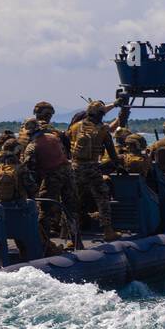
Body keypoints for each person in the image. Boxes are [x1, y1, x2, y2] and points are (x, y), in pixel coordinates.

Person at [20, 111, 75, 252]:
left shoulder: (32, 147)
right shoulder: (53, 137)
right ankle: (76, 240)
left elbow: (28, 169)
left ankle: (42, 243)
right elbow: (64, 152)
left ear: (28, 132)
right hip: (68, 173)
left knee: (44, 209)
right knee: (70, 207)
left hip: (52, 176)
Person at [68, 100, 122, 241]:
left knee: (74, 201)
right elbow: (112, 153)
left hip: (75, 168)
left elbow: (68, 146)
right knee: (102, 197)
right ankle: (108, 231)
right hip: (92, 168)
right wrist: (118, 165)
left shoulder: (75, 127)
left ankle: (72, 236)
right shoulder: (102, 129)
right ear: (101, 114)